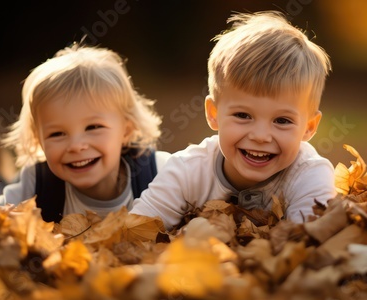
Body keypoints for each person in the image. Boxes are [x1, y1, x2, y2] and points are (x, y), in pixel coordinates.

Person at [130, 11, 336, 230]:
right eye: (243, 116)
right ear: (213, 113)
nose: (260, 136)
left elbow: (308, 241)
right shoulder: (187, 171)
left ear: (309, 127)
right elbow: (134, 232)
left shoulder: (309, 175)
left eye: (282, 120)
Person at [0, 44, 168, 222]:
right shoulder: (37, 186)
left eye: (93, 127)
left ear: (126, 130)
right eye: (57, 134)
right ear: (38, 139)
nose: (76, 146)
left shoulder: (159, 174)